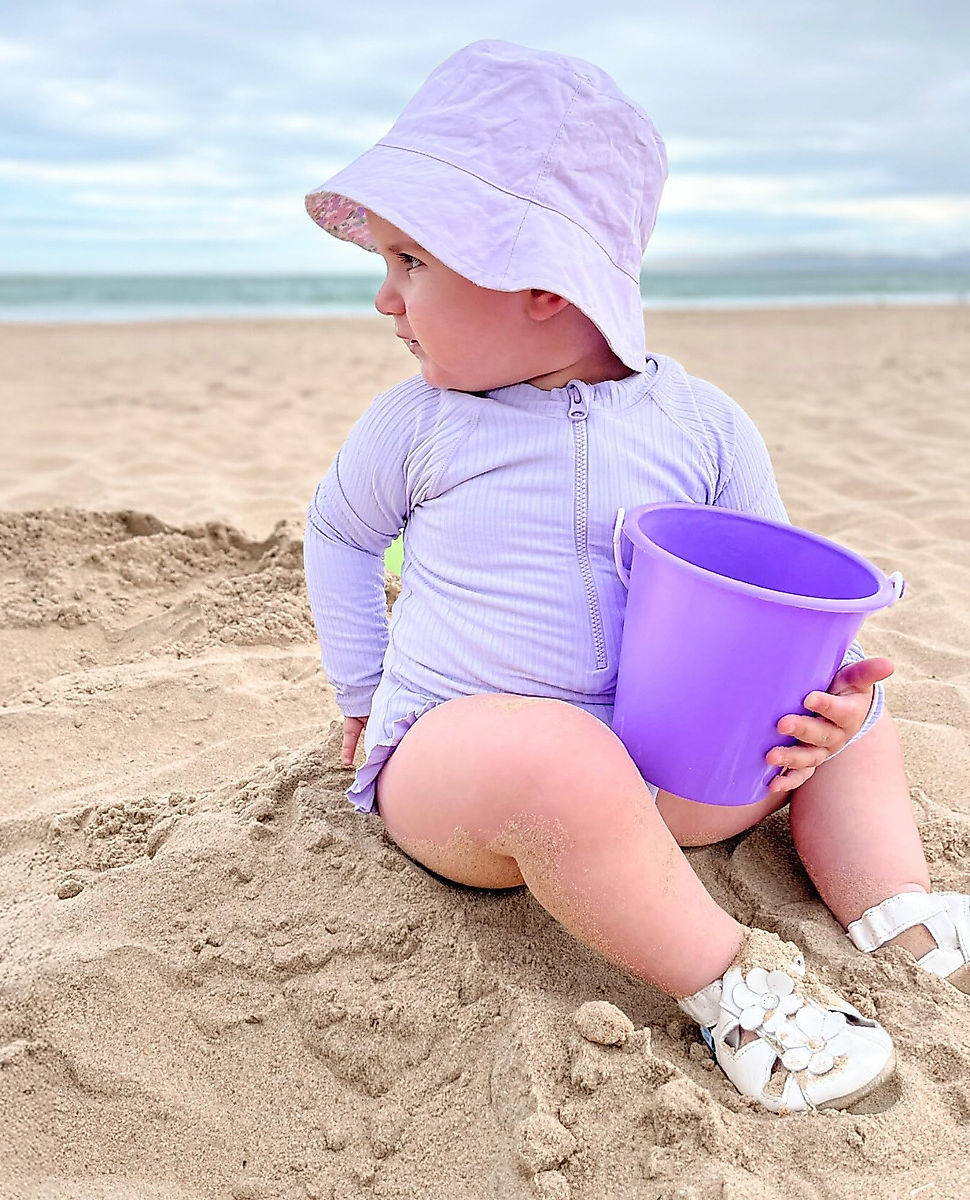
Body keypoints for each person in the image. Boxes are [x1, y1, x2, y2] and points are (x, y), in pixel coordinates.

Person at [301, 39, 970, 1114]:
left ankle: (898, 911)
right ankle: (734, 985)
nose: (386, 299)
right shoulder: (421, 426)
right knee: (559, 757)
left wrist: (837, 701)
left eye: (411, 264)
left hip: (676, 774)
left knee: (856, 701)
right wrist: (360, 691)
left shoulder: (702, 425)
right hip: (474, 784)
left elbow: (785, 606)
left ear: (543, 285)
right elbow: (338, 536)